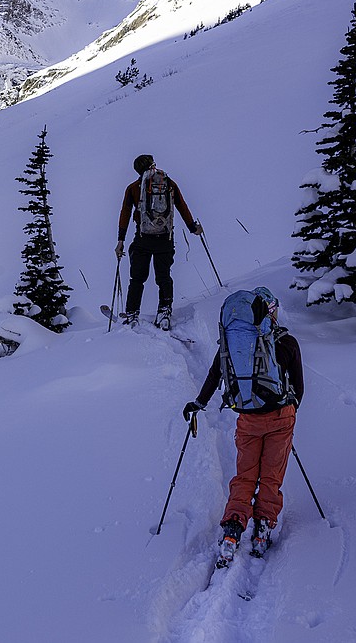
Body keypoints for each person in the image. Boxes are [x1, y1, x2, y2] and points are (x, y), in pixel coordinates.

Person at [182, 287, 304, 564]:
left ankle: (233, 529)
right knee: (271, 476)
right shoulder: (287, 343)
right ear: (270, 312)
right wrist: (288, 413)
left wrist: (199, 404)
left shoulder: (234, 346)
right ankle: (262, 529)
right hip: (281, 418)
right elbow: (299, 390)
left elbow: (216, 374)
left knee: (245, 476)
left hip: (248, 417)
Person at [115, 154, 203, 328]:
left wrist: (120, 240)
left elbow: (124, 213)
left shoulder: (133, 188)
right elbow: (182, 206)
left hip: (142, 240)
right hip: (165, 239)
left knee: (137, 278)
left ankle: (132, 314)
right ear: (154, 165)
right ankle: (164, 311)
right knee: (163, 277)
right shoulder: (169, 184)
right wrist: (193, 227)